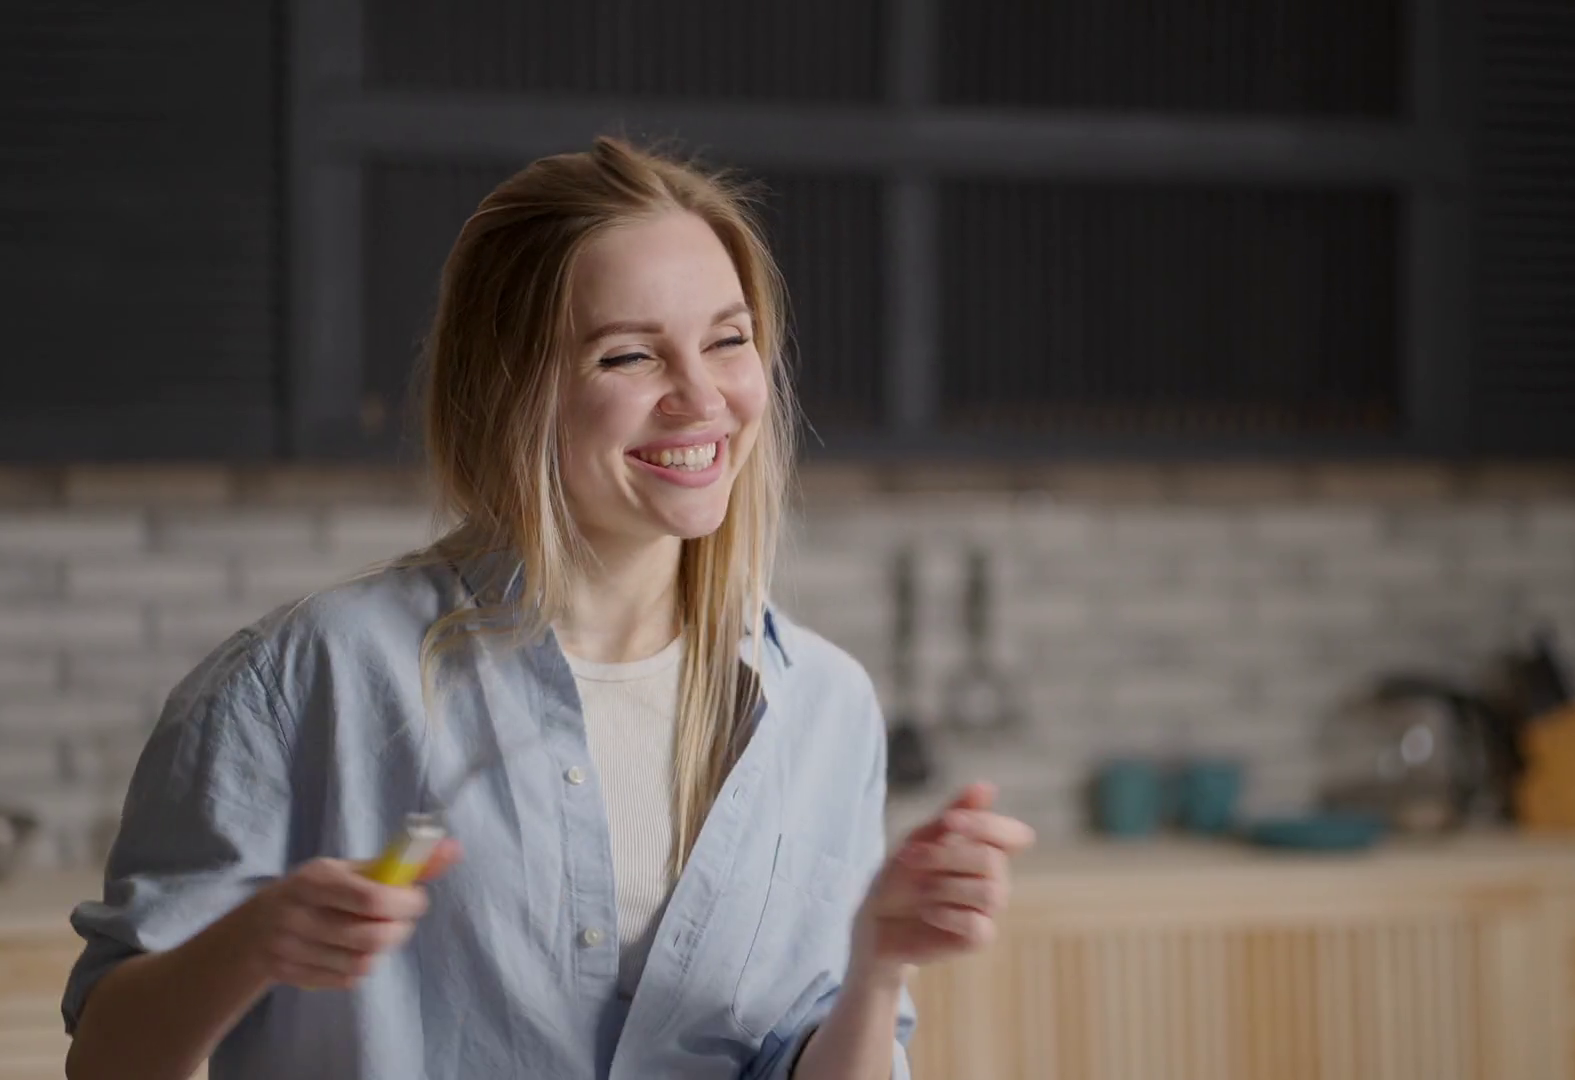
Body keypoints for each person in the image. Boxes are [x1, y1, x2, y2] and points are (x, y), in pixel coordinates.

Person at [60, 136, 1034, 1080]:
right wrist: (251, 945)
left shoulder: (825, 707)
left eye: (727, 341)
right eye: (628, 357)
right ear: (511, 391)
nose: (702, 398)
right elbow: (108, 1059)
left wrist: (878, 964)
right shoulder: (308, 681)